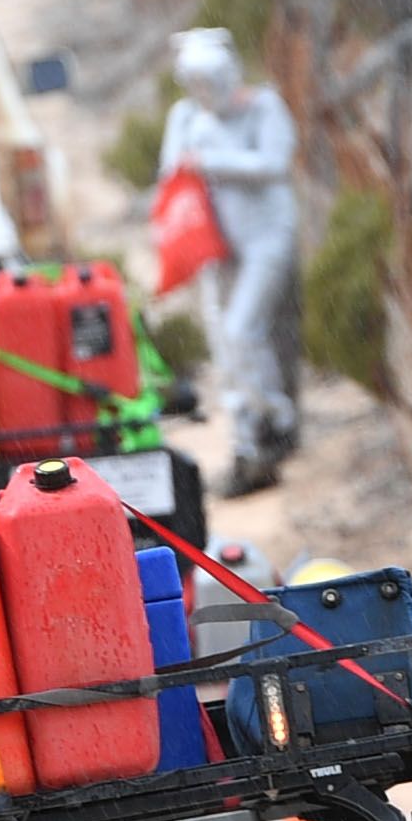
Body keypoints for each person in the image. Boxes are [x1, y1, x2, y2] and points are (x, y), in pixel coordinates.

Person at [159, 26, 301, 494]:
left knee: (245, 330)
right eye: (197, 86)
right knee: (224, 345)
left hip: (266, 237)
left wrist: (214, 161)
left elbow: (274, 164)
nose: (206, 95)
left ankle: (276, 414)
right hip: (216, 245)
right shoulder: (187, 117)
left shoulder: (262, 106)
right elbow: (171, 170)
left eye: (212, 83)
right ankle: (247, 445)